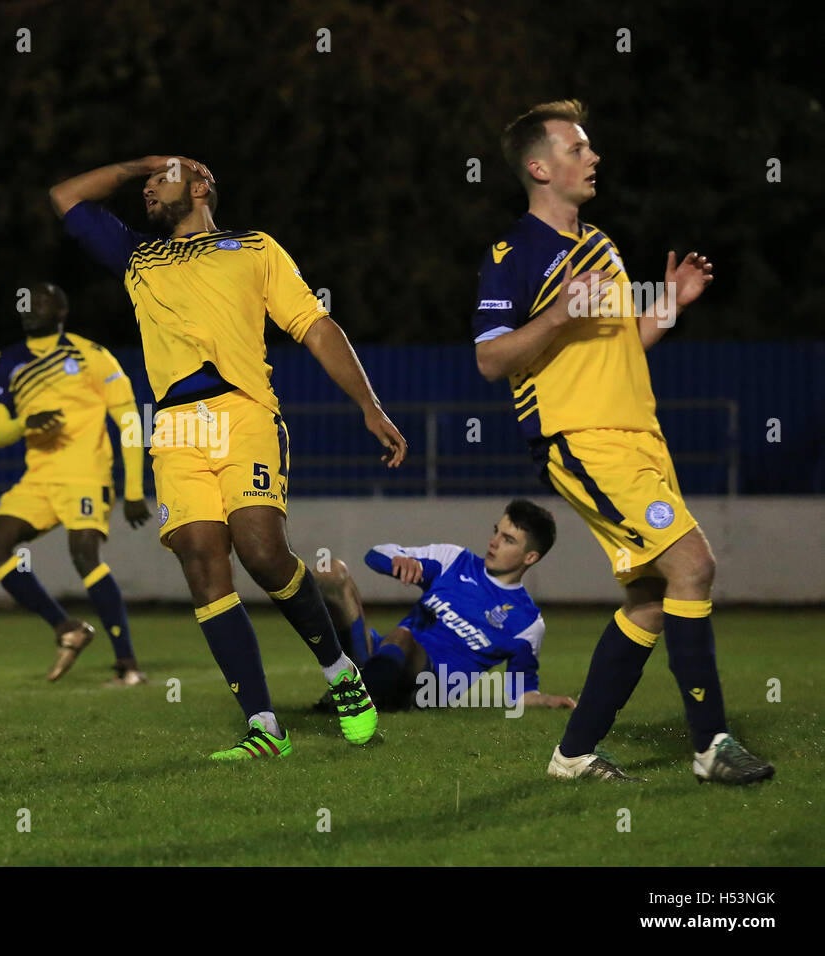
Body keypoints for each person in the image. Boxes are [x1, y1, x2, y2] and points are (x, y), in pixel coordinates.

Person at [51, 155, 409, 759]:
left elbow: (316, 326)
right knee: (202, 563)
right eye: (143, 186)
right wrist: (145, 161)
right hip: (174, 425)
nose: (145, 191)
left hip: (243, 414)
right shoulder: (138, 256)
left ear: (199, 185)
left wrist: (369, 405)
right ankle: (265, 727)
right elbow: (64, 195)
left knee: (264, 553)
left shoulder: (255, 248)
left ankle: (341, 672)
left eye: (157, 181)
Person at [472, 100, 772, 783]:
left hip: (639, 436)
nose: (593, 157)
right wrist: (555, 313)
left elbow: (621, 342)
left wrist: (668, 306)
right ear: (539, 167)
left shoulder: (600, 245)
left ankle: (573, 754)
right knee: (693, 565)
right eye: (578, 149)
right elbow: (491, 359)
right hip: (581, 438)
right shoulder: (514, 255)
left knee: (648, 600)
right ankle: (712, 745)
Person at [0, 281, 150, 684]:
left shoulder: (91, 355)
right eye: (27, 301)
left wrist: (135, 489)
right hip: (39, 478)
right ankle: (66, 627)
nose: (31, 307)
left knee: (84, 553)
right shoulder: (6, 361)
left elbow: (128, 419)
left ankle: (128, 666)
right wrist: (25, 423)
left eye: (42, 302)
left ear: (61, 313)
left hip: (86, 474)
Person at [313, 500, 575, 714]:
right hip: (387, 656)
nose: (494, 542)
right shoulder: (455, 561)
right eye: (496, 531)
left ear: (530, 557)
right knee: (331, 574)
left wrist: (547, 701)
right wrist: (399, 561)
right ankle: (362, 693)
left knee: (404, 636)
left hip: (427, 687)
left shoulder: (527, 623)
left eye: (508, 539)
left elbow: (521, 693)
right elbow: (376, 554)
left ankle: (347, 704)